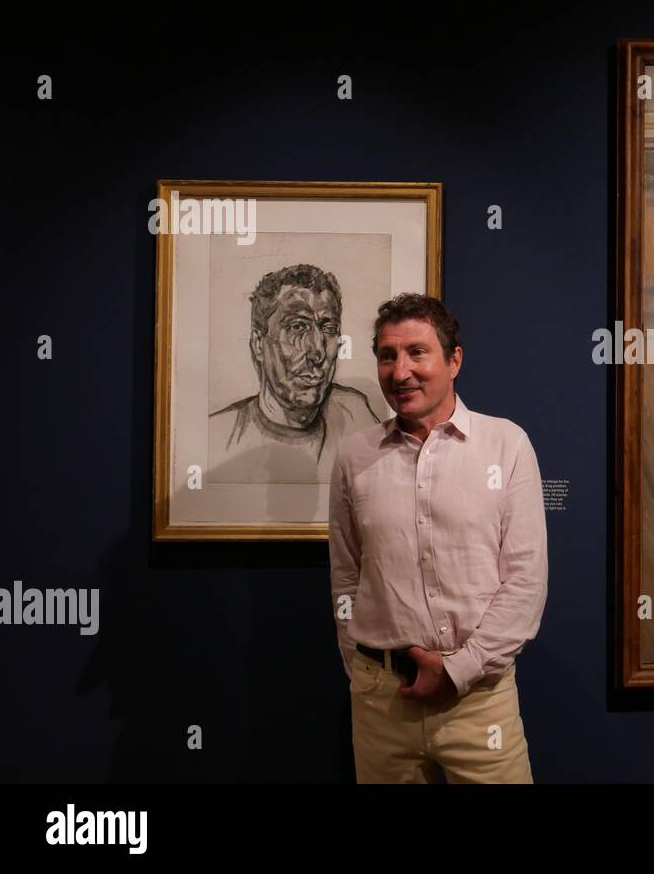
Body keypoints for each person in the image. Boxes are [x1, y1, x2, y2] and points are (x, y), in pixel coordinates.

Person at [328, 293, 547, 783]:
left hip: (478, 702)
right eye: (387, 356)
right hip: (382, 705)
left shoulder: (506, 445)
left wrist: (458, 670)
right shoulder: (353, 457)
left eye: (417, 353)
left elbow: (525, 582)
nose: (400, 371)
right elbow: (346, 576)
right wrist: (363, 673)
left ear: (455, 360)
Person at [208, 263, 379, 482]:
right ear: (259, 344)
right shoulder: (219, 438)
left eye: (328, 329)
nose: (317, 350)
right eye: (298, 327)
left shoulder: (355, 415)